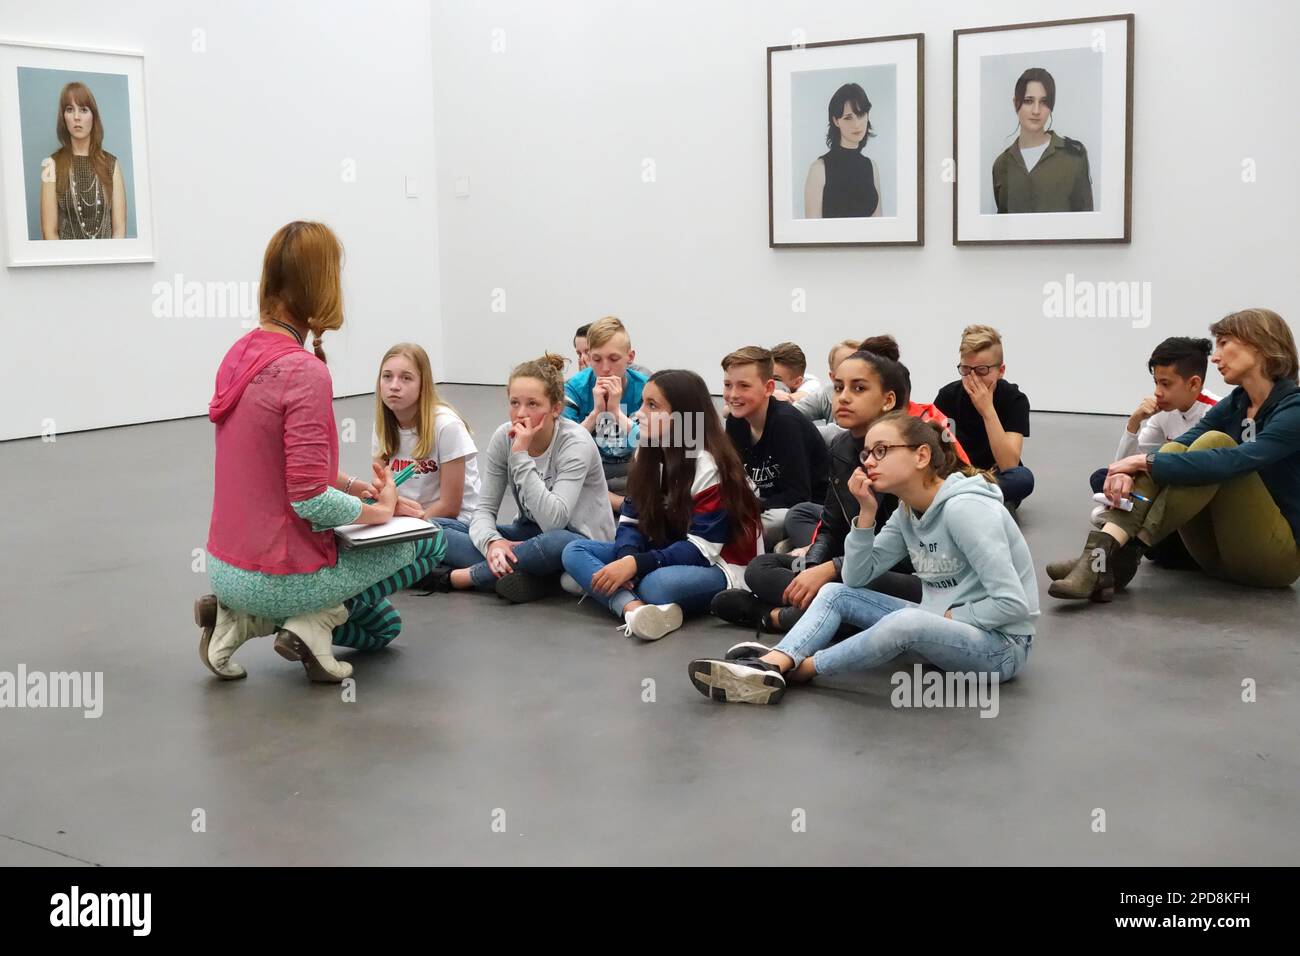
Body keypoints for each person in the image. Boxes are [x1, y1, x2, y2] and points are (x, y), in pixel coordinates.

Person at [195, 221, 445, 684]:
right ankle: (308, 625)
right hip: (279, 576)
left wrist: (359, 491)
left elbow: (290, 471)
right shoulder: (302, 371)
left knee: (384, 627)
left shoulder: (237, 354)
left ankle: (243, 620)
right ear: (319, 284)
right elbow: (310, 500)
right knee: (430, 539)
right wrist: (382, 510)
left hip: (224, 569)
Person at [688, 411, 1037, 705]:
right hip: (943, 627)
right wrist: (866, 516)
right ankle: (776, 662)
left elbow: (1013, 604)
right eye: (867, 453)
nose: (868, 461)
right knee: (835, 592)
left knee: (906, 623)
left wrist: (950, 615)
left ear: (921, 456)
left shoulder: (967, 509)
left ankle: (802, 670)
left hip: (1000, 647)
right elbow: (854, 578)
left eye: (882, 450)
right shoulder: (906, 512)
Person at [1049, 309, 1300, 601]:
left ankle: (1107, 558)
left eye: (1224, 343)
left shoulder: (1293, 409)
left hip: (1273, 561)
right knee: (1174, 449)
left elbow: (1238, 460)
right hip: (1216, 557)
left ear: (1259, 345)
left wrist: (1144, 461)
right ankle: (1101, 558)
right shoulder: (1237, 402)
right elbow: (1181, 446)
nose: (1215, 357)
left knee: (1214, 444)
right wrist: (1127, 468)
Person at [711, 348, 925, 638]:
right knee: (759, 568)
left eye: (858, 388)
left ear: (888, 400)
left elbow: (907, 554)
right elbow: (830, 526)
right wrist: (812, 567)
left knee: (849, 589)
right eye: (838, 388)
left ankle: (773, 616)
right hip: (851, 565)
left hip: (908, 575)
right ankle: (828, 610)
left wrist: (831, 570)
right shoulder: (840, 447)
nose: (844, 397)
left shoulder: (908, 452)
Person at [562, 370, 761, 641]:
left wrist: (636, 565)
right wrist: (626, 558)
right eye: (643, 403)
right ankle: (633, 609)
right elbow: (631, 520)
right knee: (574, 550)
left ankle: (615, 593)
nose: (638, 414)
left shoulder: (708, 464)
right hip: (665, 551)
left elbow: (702, 550)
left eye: (652, 406)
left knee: (657, 586)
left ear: (682, 417)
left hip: (721, 565)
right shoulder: (646, 449)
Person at [428, 353, 616, 603]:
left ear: (556, 408)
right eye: (515, 403)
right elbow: (484, 510)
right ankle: (533, 577)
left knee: (555, 544)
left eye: (533, 404)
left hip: (577, 541)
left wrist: (520, 456)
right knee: (433, 528)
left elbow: (554, 522)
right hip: (529, 535)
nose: (520, 413)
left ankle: (468, 576)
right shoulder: (503, 437)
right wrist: (493, 543)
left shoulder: (575, 442)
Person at [1050, 337, 1217, 576]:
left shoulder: (1215, 412)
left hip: (1190, 512)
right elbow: (1118, 467)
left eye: (1166, 384)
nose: (1158, 392)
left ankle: (1101, 555)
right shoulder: (1163, 412)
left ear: (1193, 383)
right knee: (1102, 478)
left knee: (1162, 551)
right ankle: (1108, 553)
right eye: (1156, 383)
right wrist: (1134, 422)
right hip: (1158, 499)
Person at [722, 346, 829, 549]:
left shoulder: (785, 423)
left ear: (769, 388)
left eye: (744, 386)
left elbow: (798, 495)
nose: (733, 394)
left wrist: (748, 507)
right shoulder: (736, 421)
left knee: (752, 526)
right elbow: (732, 478)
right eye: (728, 385)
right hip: (762, 504)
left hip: (804, 511)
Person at [372, 342, 480, 525]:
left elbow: (450, 507)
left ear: (423, 384)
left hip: (454, 523)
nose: (394, 386)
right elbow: (382, 489)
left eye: (406, 378)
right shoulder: (381, 425)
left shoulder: (447, 426)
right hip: (408, 519)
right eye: (387, 376)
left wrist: (408, 525)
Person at [933, 324, 1033, 511]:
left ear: (1000, 371)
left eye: (981, 370)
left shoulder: (1014, 400)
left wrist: (987, 410)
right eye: (965, 369)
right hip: (957, 476)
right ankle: (983, 504)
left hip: (994, 477)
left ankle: (964, 503)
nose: (973, 378)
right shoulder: (947, 396)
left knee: (1023, 478)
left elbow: (1009, 465)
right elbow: (938, 457)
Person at [562, 316, 648, 511]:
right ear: (587, 357)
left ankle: (615, 503)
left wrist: (617, 413)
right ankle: (624, 506)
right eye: (597, 359)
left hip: (632, 469)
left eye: (614, 359)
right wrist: (596, 413)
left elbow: (654, 446)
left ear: (630, 357)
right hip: (592, 472)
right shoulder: (574, 388)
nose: (605, 368)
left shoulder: (646, 387)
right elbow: (564, 447)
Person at [991, 67, 1093, 214]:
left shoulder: (1074, 157)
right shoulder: (1001, 165)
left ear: (1051, 106)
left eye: (1044, 102)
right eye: (1028, 101)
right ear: (1015, 103)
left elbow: (1088, 227)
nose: (1036, 111)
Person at [40, 82, 127, 240]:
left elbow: (119, 230)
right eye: (70, 109)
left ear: (93, 117)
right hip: (66, 261)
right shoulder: (50, 165)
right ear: (63, 117)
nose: (77, 117)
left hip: (107, 261)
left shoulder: (112, 164)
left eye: (83, 110)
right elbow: (49, 232)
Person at [803, 82, 882, 218]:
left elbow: (880, 227)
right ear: (836, 121)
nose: (857, 124)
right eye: (848, 118)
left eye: (861, 115)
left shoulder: (871, 167)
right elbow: (812, 234)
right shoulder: (819, 169)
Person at [794, 339, 862, 443]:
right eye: (845, 365)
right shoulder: (827, 393)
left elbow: (846, 433)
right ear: (833, 377)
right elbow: (790, 415)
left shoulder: (872, 396)